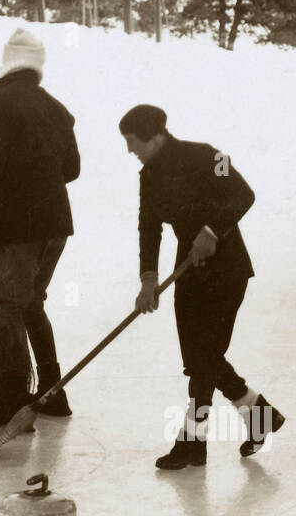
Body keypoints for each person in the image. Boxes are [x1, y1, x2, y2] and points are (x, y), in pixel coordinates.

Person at [121, 105, 283, 469]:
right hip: (189, 268)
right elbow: (149, 226)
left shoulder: (208, 155)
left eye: (132, 141)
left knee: (205, 357)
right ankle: (258, 416)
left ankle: (192, 442)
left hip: (227, 269)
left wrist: (212, 230)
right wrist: (148, 279)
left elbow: (244, 194)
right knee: (198, 358)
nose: (129, 149)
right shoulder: (149, 176)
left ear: (154, 135)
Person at [0, 29, 79, 432]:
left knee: (6, 307)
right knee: (31, 304)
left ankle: (11, 403)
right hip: (56, 225)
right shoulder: (58, 109)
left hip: (17, 227)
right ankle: (51, 391)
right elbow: (73, 169)